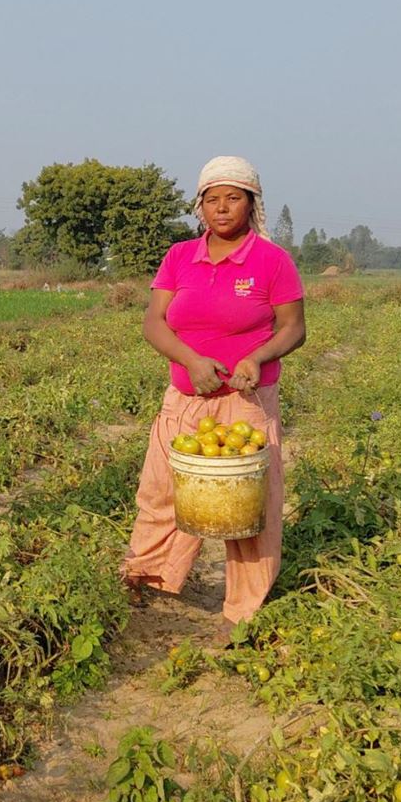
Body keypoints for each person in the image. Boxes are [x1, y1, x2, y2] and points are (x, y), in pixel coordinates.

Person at [121, 156, 306, 628]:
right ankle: (146, 580)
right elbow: (153, 322)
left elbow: (294, 328)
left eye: (233, 198)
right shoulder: (180, 256)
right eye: (212, 199)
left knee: (247, 508)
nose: (222, 208)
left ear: (251, 203)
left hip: (245, 404)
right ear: (200, 206)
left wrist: (258, 357)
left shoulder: (272, 260)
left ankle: (243, 610)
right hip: (184, 401)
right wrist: (190, 360)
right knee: (162, 492)